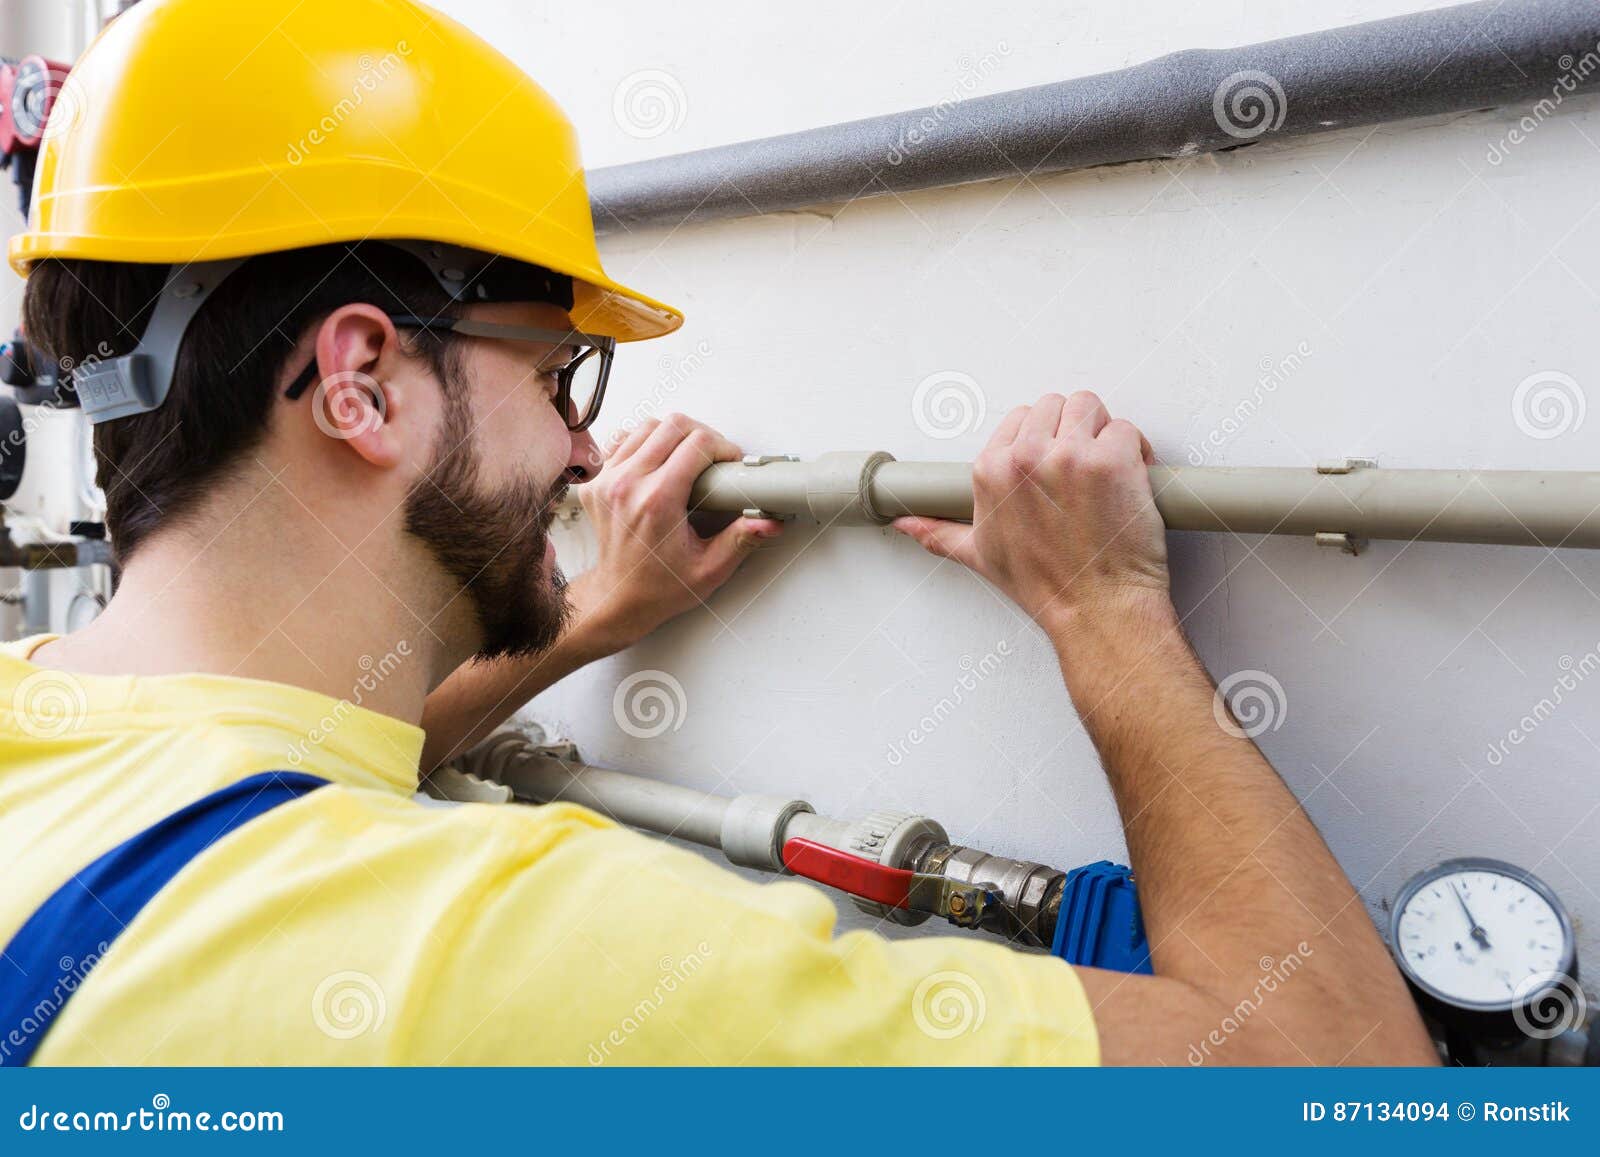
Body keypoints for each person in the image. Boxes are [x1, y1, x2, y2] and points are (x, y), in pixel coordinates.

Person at [0, 0, 1437, 1065]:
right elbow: (1336, 1076)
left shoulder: (48, 738)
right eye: (560, 377)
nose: (583, 449)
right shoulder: (518, 955)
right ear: (364, 382)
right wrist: (1107, 616)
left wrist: (592, 616)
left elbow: (282, 778)